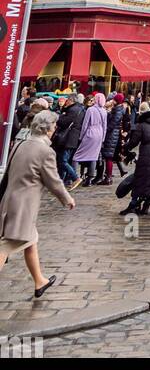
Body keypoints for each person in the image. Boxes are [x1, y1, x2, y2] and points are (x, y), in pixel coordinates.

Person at [0, 110, 76, 297]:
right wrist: (67, 199)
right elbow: (53, 181)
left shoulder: (20, 144)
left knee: (31, 241)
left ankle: (39, 281)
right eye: (54, 126)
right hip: (23, 209)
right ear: (48, 128)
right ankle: (39, 281)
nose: (55, 129)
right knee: (5, 247)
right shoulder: (45, 151)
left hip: (9, 201)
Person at [70, 92, 107, 188]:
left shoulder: (90, 110)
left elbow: (85, 124)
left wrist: (81, 137)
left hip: (90, 133)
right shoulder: (104, 111)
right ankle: (89, 179)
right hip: (99, 134)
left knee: (76, 156)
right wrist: (103, 138)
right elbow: (105, 126)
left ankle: (74, 177)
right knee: (93, 156)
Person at [51, 92, 86, 186]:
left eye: (67, 100)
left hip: (68, 138)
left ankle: (75, 177)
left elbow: (63, 122)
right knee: (64, 160)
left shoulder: (73, 110)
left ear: (71, 100)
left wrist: (59, 116)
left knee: (63, 161)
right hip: (73, 138)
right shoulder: (80, 108)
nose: (66, 102)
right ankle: (61, 181)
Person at [99, 97, 125, 186]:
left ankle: (108, 177)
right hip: (112, 134)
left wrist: (105, 130)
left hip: (112, 135)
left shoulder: (118, 111)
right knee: (108, 156)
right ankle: (107, 176)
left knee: (108, 156)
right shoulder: (116, 109)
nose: (112, 101)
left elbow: (112, 124)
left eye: (114, 100)